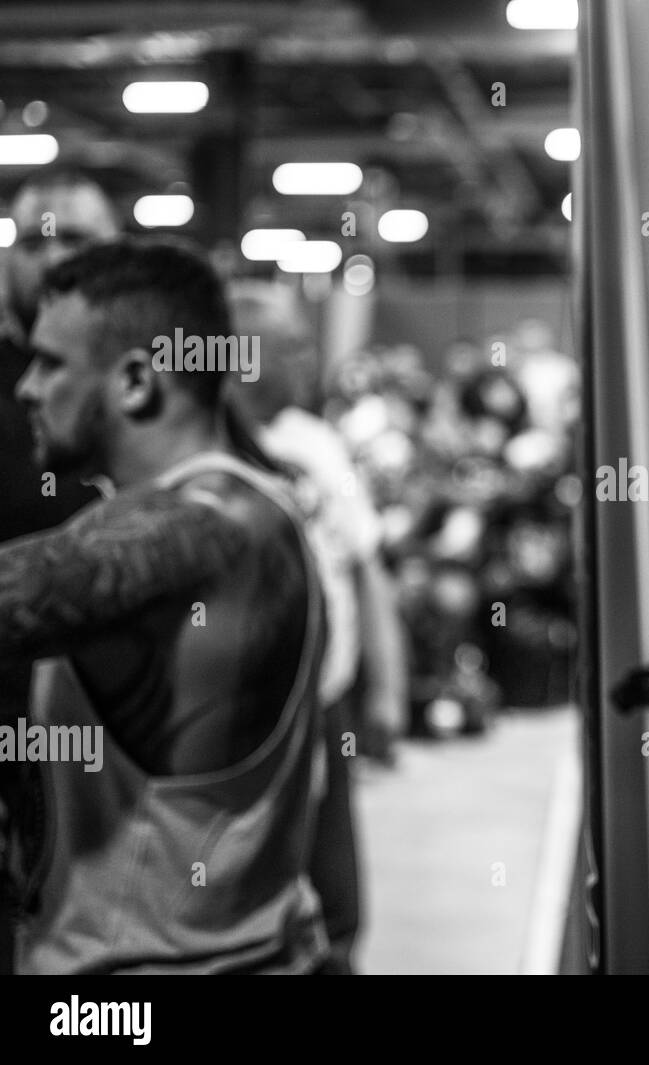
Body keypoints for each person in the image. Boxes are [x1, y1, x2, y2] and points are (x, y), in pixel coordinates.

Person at [0, 239, 330, 973]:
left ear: (136, 383)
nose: (25, 387)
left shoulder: (215, 526)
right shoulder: (227, 505)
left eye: (51, 364)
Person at [225, 281, 410, 972]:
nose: (310, 356)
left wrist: (387, 690)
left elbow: (366, 570)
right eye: (293, 344)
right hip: (244, 726)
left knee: (336, 902)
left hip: (325, 711)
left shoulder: (316, 444)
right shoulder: (203, 451)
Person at [0, 167, 119, 973]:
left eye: (77, 236)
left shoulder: (155, 380)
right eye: (39, 236)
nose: (55, 254)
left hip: (131, 724)